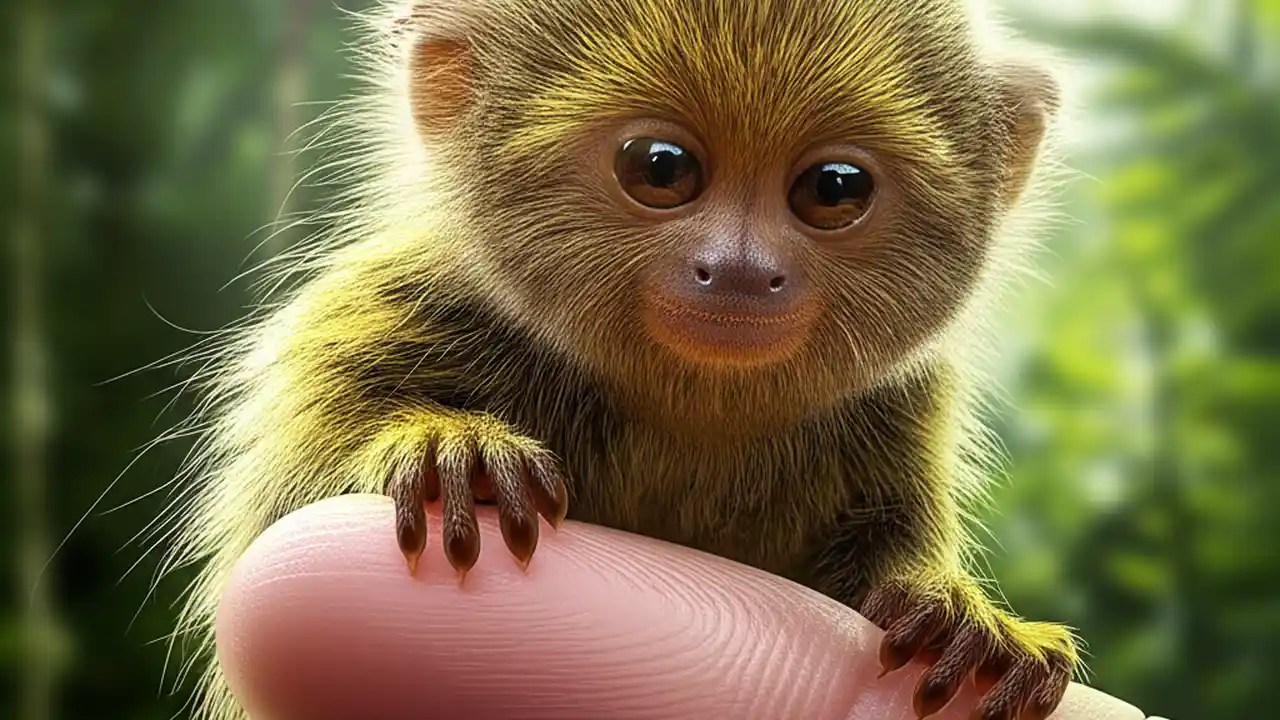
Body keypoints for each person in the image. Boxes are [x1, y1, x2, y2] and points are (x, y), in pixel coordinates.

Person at [216, 496, 1152, 720]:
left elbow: (883, 574)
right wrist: (424, 454)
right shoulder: (408, 317)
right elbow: (313, 512)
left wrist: (949, 625)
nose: (740, 263)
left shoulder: (893, 403)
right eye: (660, 171)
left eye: (833, 192)